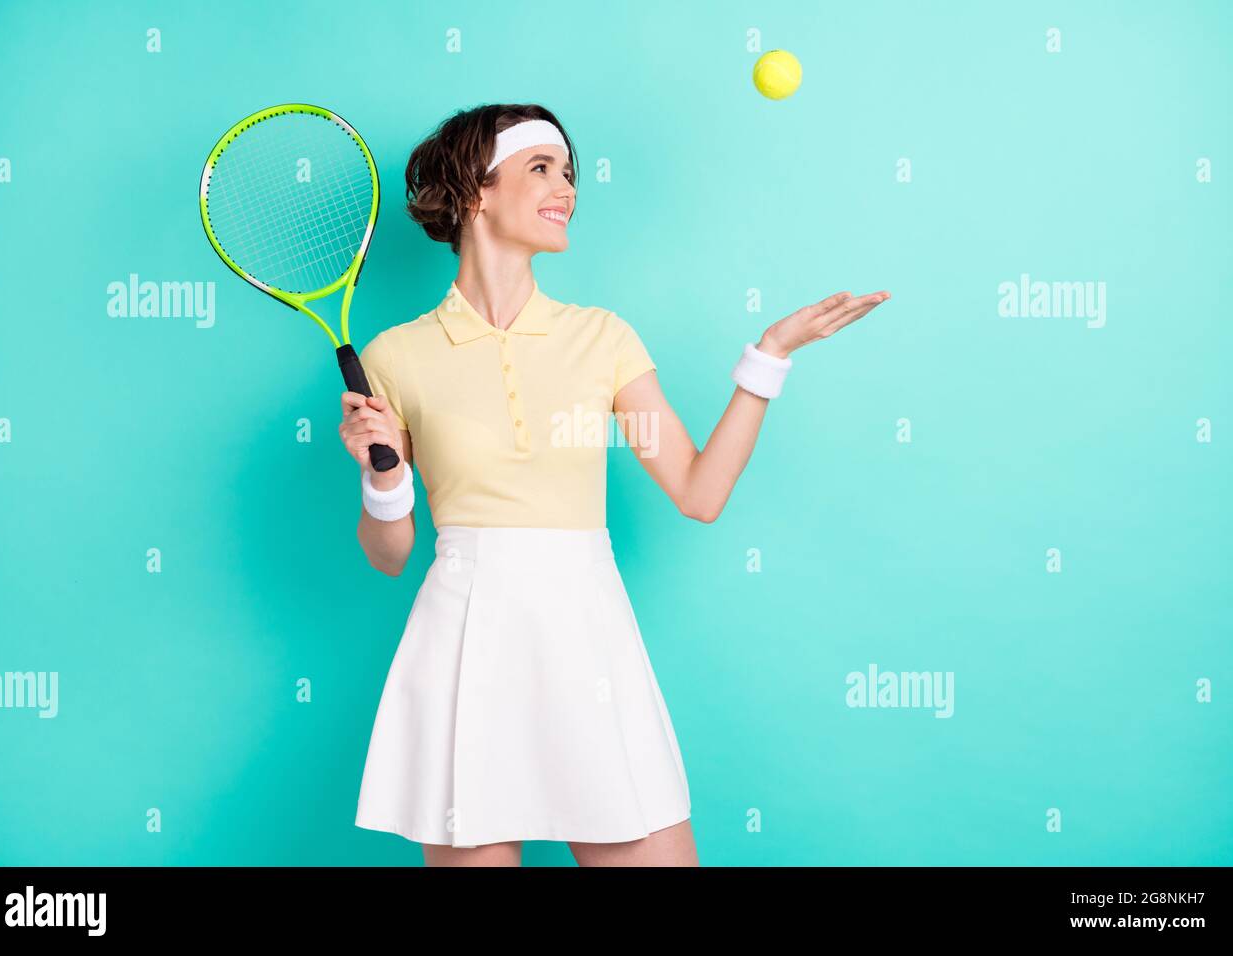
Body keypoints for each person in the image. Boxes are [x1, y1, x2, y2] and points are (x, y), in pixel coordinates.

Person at [339, 103, 890, 867]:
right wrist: (383, 476)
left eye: (568, 172)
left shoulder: (601, 337)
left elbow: (699, 493)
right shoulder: (396, 357)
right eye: (541, 169)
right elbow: (389, 554)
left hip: (586, 631)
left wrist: (771, 356)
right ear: (474, 192)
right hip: (463, 638)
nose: (564, 187)